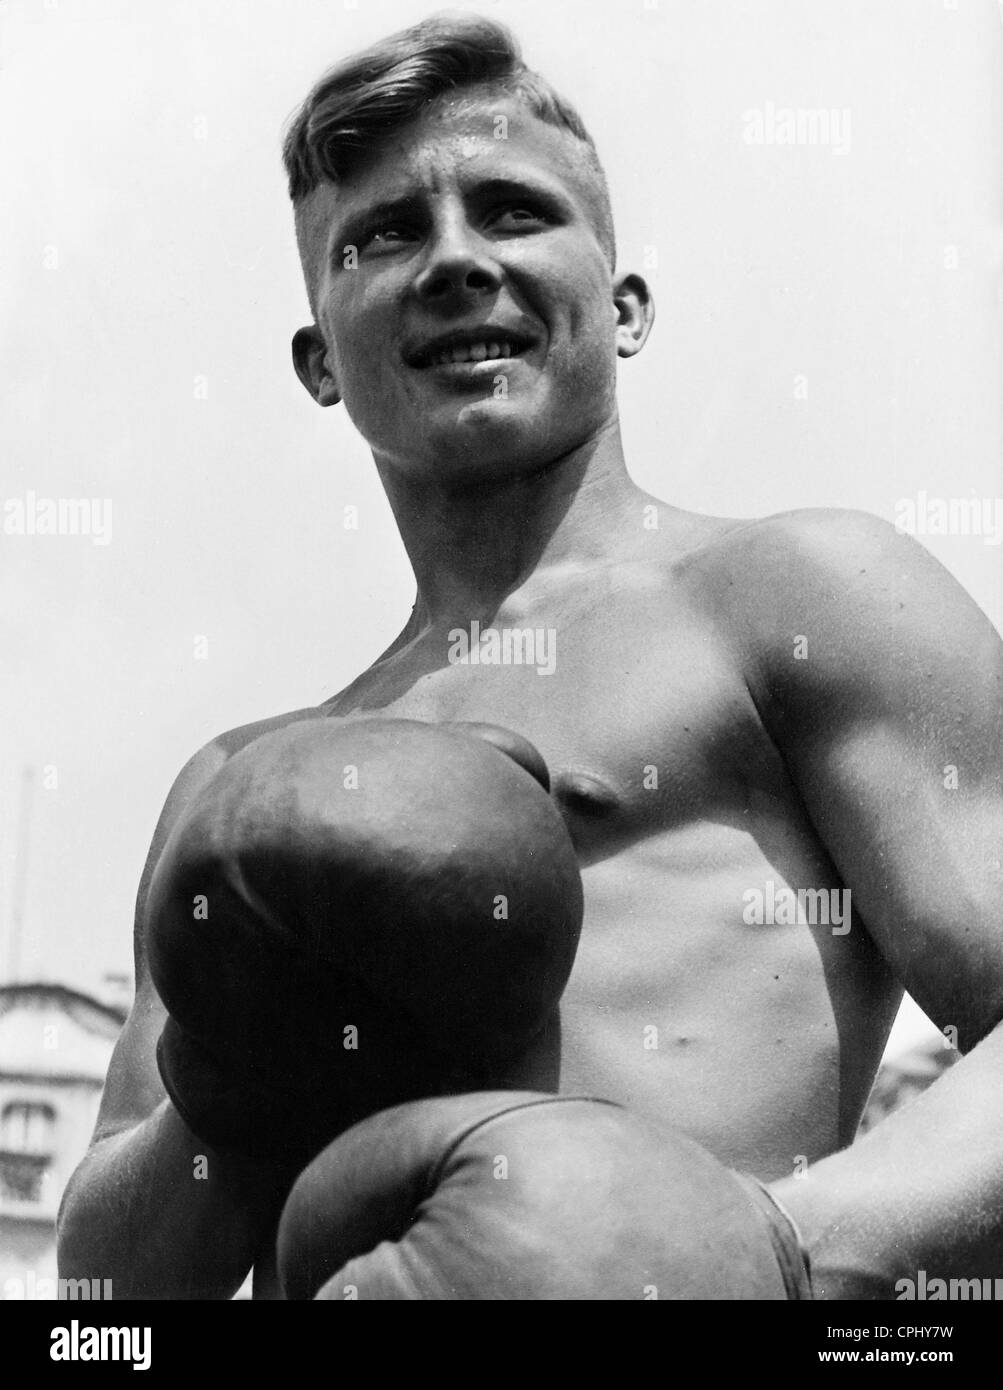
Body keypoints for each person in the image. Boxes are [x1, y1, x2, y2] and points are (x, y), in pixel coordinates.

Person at [57, 13, 1002, 1300]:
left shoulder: (796, 593)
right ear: (318, 360)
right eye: (383, 232)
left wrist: (774, 1248)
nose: (454, 259)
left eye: (509, 211)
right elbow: (110, 1292)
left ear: (624, 308)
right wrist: (230, 1074)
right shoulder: (240, 780)